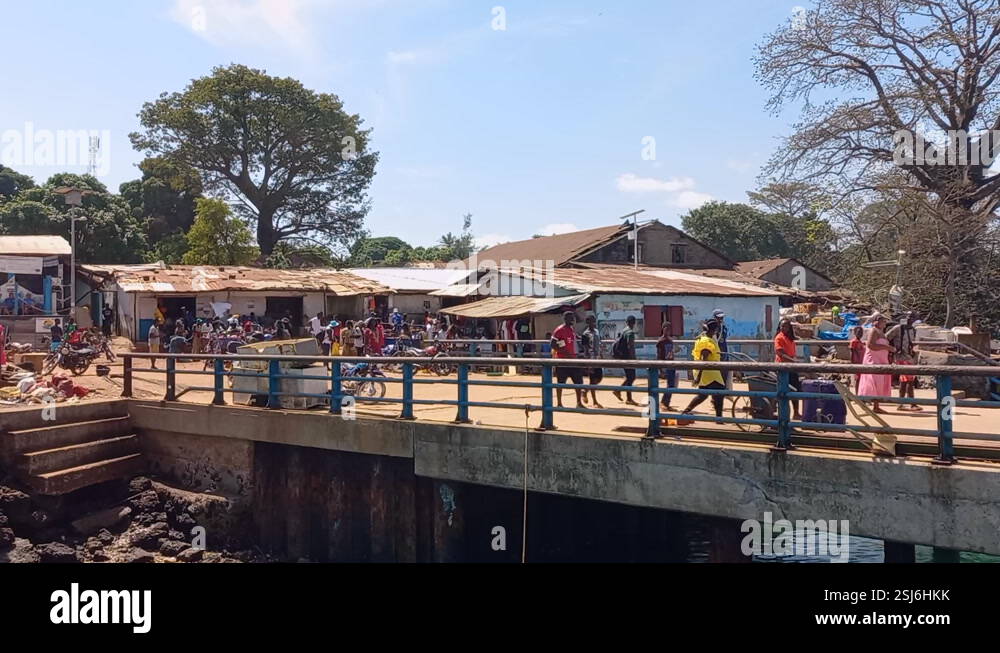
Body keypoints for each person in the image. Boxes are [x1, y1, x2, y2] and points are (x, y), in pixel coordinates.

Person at [681, 319, 726, 420]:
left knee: (704, 394)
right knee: (719, 392)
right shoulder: (706, 342)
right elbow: (703, 361)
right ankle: (719, 418)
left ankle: (686, 411)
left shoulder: (707, 339)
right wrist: (698, 378)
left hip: (710, 371)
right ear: (714, 330)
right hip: (708, 372)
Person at [858, 314, 893, 414]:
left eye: (884, 321)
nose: (883, 323)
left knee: (879, 382)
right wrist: (887, 348)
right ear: (875, 321)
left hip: (881, 359)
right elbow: (871, 345)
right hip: (874, 359)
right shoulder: (873, 330)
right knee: (873, 380)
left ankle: (876, 405)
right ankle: (870, 403)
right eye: (882, 321)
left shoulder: (881, 332)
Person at [551, 311, 584, 409]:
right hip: (562, 361)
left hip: (574, 360)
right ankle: (559, 403)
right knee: (560, 383)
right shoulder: (559, 330)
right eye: (570, 318)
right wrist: (563, 350)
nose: (572, 320)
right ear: (565, 319)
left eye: (573, 318)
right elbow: (553, 344)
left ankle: (579, 403)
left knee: (578, 382)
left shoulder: (572, 329)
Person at [773, 318, 803, 421]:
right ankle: (783, 414)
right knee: (784, 391)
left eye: (785, 326)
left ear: (789, 327)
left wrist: (794, 360)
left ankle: (796, 412)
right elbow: (780, 353)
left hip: (792, 367)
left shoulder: (790, 338)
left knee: (795, 390)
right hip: (783, 367)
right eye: (781, 326)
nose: (783, 328)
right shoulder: (779, 338)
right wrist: (793, 361)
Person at [612, 315, 638, 405]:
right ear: (634, 323)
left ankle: (622, 393)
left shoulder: (624, 331)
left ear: (626, 322)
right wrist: (634, 358)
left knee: (630, 377)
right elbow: (630, 346)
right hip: (628, 358)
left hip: (623, 357)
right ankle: (624, 395)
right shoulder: (630, 332)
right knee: (631, 377)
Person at [579, 315, 604, 408]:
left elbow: (599, 344)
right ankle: (595, 401)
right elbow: (585, 349)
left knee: (599, 378)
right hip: (591, 359)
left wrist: (601, 355)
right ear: (587, 322)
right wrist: (588, 363)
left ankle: (585, 391)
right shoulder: (585, 334)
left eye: (594, 321)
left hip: (597, 358)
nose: (593, 323)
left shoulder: (597, 332)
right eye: (591, 322)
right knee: (593, 380)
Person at [656, 322, 678, 410]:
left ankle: (666, 402)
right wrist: (660, 369)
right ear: (663, 329)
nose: (667, 331)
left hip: (671, 364)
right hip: (665, 364)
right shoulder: (661, 341)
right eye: (666, 329)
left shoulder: (670, 340)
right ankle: (664, 402)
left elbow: (671, 352)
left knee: (672, 385)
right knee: (670, 385)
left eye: (669, 329)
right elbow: (658, 355)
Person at [711, 309, 729, 387]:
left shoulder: (724, 327)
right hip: (715, 354)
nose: (721, 319)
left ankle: (722, 391)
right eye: (719, 318)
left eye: (722, 318)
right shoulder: (712, 328)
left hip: (724, 353)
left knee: (724, 374)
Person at [849, 325, 866, 393]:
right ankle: (857, 394)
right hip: (857, 362)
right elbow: (852, 352)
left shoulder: (860, 342)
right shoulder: (854, 342)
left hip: (861, 362)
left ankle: (860, 393)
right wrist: (852, 362)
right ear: (855, 333)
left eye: (861, 332)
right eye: (858, 332)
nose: (860, 334)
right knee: (858, 379)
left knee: (860, 379)